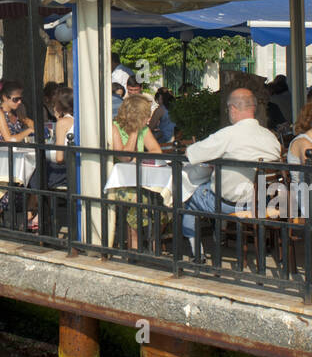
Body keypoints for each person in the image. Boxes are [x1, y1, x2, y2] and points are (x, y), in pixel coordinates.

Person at [180, 88, 281, 240]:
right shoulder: (270, 137)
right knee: (213, 188)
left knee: (188, 195)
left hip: (233, 203)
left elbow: (191, 153)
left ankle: (197, 254)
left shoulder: (228, 134)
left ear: (232, 109)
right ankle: (218, 236)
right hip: (265, 201)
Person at [109, 94, 167, 249]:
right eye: (145, 117)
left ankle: (154, 244)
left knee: (164, 200)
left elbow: (156, 151)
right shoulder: (114, 128)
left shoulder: (144, 129)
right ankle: (133, 247)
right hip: (121, 183)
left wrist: (140, 158)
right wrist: (134, 132)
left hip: (143, 180)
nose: (148, 120)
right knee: (139, 202)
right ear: (136, 116)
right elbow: (125, 157)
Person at [0, 79, 35, 143]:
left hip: (13, 150)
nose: (20, 102)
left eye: (20, 98)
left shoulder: (14, 112)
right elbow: (9, 139)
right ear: (5, 97)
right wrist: (29, 130)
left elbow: (29, 122)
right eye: (16, 99)